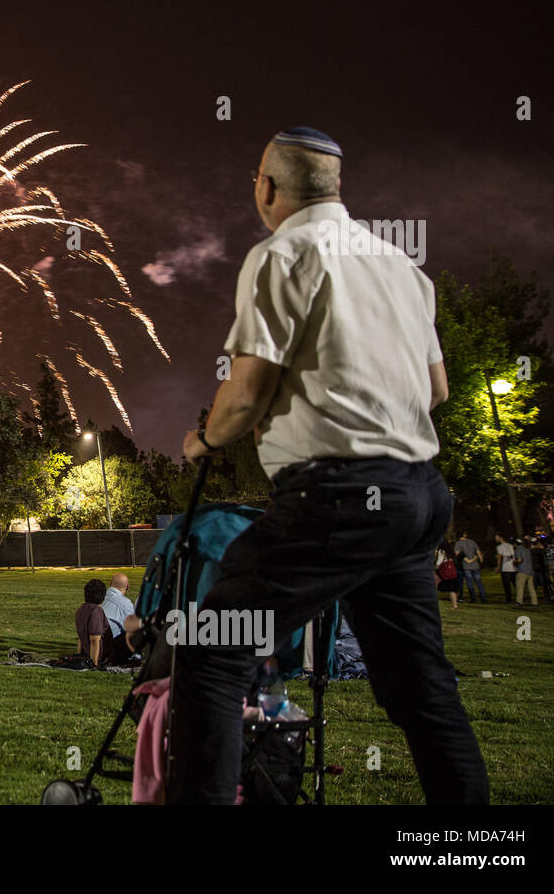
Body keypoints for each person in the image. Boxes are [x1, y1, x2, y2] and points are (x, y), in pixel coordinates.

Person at [167, 127, 488, 804]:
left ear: (268, 187)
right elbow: (436, 391)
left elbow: (247, 392)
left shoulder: (282, 254)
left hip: (337, 496)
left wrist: (204, 439)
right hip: (417, 495)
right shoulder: (401, 266)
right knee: (419, 686)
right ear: (335, 186)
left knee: (209, 647)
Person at [75, 578, 113, 667]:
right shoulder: (96, 611)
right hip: (102, 658)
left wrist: (79, 655)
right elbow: (95, 640)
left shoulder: (81, 609)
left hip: (88, 654)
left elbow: (80, 637)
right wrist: (94, 664)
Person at [100, 572, 135, 663]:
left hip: (92, 643)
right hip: (109, 649)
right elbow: (133, 630)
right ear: (127, 587)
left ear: (110, 583)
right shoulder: (125, 603)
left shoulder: (100, 597)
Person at [454, 532, 486, 603]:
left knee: (470, 583)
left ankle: (474, 599)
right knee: (479, 583)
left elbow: (457, 554)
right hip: (475, 566)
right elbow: (478, 552)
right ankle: (483, 599)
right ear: (464, 535)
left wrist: (468, 560)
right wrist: (480, 560)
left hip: (466, 566)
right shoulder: (472, 542)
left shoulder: (458, 543)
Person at [434, 541, 461, 610]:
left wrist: (436, 567)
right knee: (453, 588)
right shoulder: (450, 551)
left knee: (435, 584)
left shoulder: (441, 551)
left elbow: (439, 562)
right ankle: (455, 604)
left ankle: (454, 605)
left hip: (445, 572)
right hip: (452, 571)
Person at [513, 538, 538, 606]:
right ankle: (534, 602)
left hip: (522, 571)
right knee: (531, 588)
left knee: (520, 587)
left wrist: (514, 562)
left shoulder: (518, 550)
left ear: (515, 544)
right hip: (530, 571)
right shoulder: (527, 550)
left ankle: (519, 601)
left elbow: (520, 560)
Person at [495, 534, 516, 604]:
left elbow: (499, 557)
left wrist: (498, 567)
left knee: (507, 586)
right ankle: (519, 598)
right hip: (513, 568)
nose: (495, 539)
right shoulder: (511, 546)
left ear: (500, 538)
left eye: (496, 537)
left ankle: (508, 599)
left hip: (505, 568)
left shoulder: (500, 547)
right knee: (516, 585)